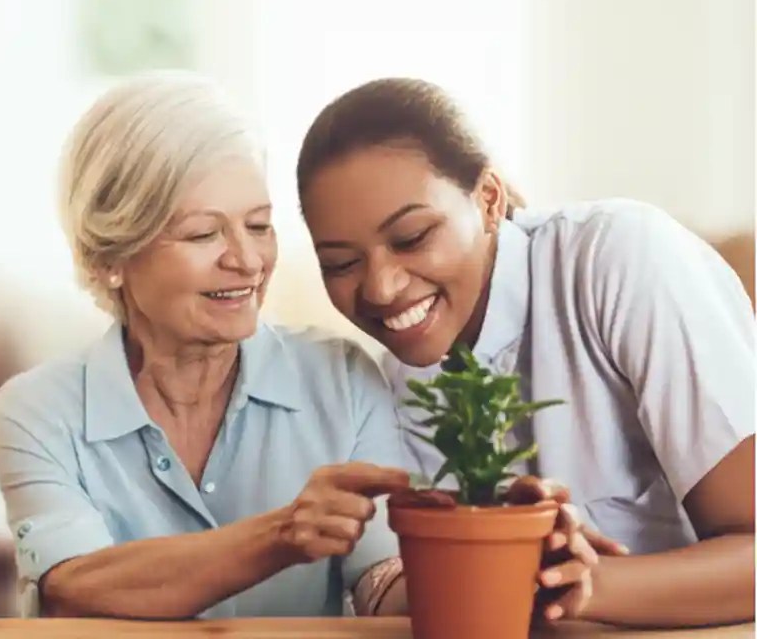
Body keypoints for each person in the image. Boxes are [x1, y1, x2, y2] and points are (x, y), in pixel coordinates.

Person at [0, 72, 592, 620]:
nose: (247, 261)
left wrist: (504, 558)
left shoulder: (343, 377)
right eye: (202, 233)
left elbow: (379, 580)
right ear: (110, 258)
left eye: (258, 225)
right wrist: (279, 536)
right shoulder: (39, 412)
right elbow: (76, 584)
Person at [295, 77, 755, 627]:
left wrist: (580, 581)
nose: (381, 289)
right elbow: (409, 588)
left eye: (412, 237)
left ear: (488, 199)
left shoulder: (619, 258)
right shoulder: (394, 384)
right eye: (342, 264)